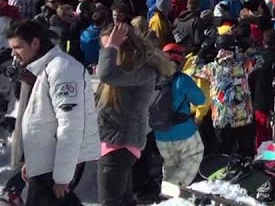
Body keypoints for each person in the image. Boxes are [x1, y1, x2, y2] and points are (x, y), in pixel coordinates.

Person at [7, 19, 99, 206]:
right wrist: (33, 162)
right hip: (45, 167)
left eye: (17, 47)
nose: (13, 54)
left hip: (55, 170)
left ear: (35, 43)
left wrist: (62, 177)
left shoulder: (63, 69)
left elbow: (70, 126)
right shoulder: (44, 69)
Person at [97, 18, 175, 206]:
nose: (107, 53)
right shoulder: (126, 72)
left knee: (111, 202)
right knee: (124, 200)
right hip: (115, 140)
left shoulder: (142, 71)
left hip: (120, 143)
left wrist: (111, 46)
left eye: (111, 49)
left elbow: (107, 74)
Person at [154, 43, 206, 187]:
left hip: (159, 132)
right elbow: (200, 99)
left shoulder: (153, 78)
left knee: (170, 163)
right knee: (194, 155)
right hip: (184, 131)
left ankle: (169, 196)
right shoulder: (182, 80)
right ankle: (171, 190)